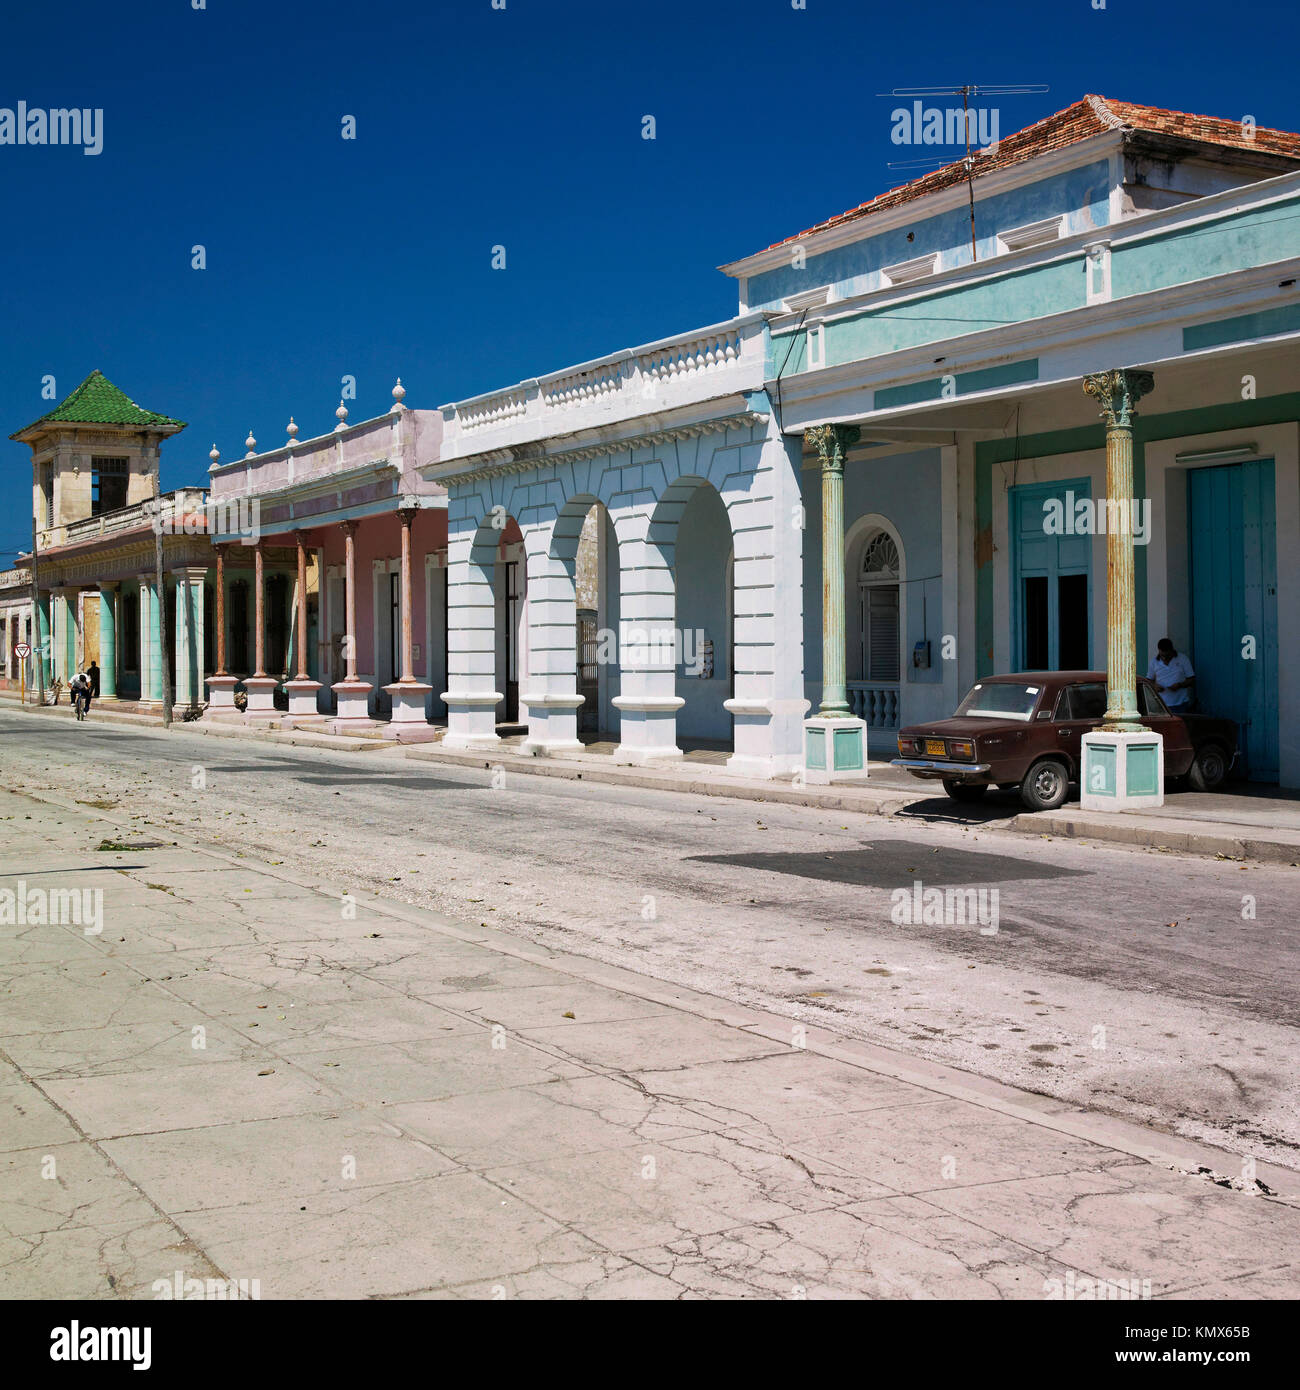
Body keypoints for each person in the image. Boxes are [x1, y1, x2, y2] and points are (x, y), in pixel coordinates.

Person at [1148, 638, 1195, 711]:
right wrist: (1155, 687)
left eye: (1167, 655)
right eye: (1162, 655)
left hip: (1181, 703)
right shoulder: (1153, 662)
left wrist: (1180, 685)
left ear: (1172, 650)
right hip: (1161, 705)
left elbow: (1192, 679)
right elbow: (1149, 680)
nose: (1165, 658)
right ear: (1159, 651)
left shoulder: (1183, 659)